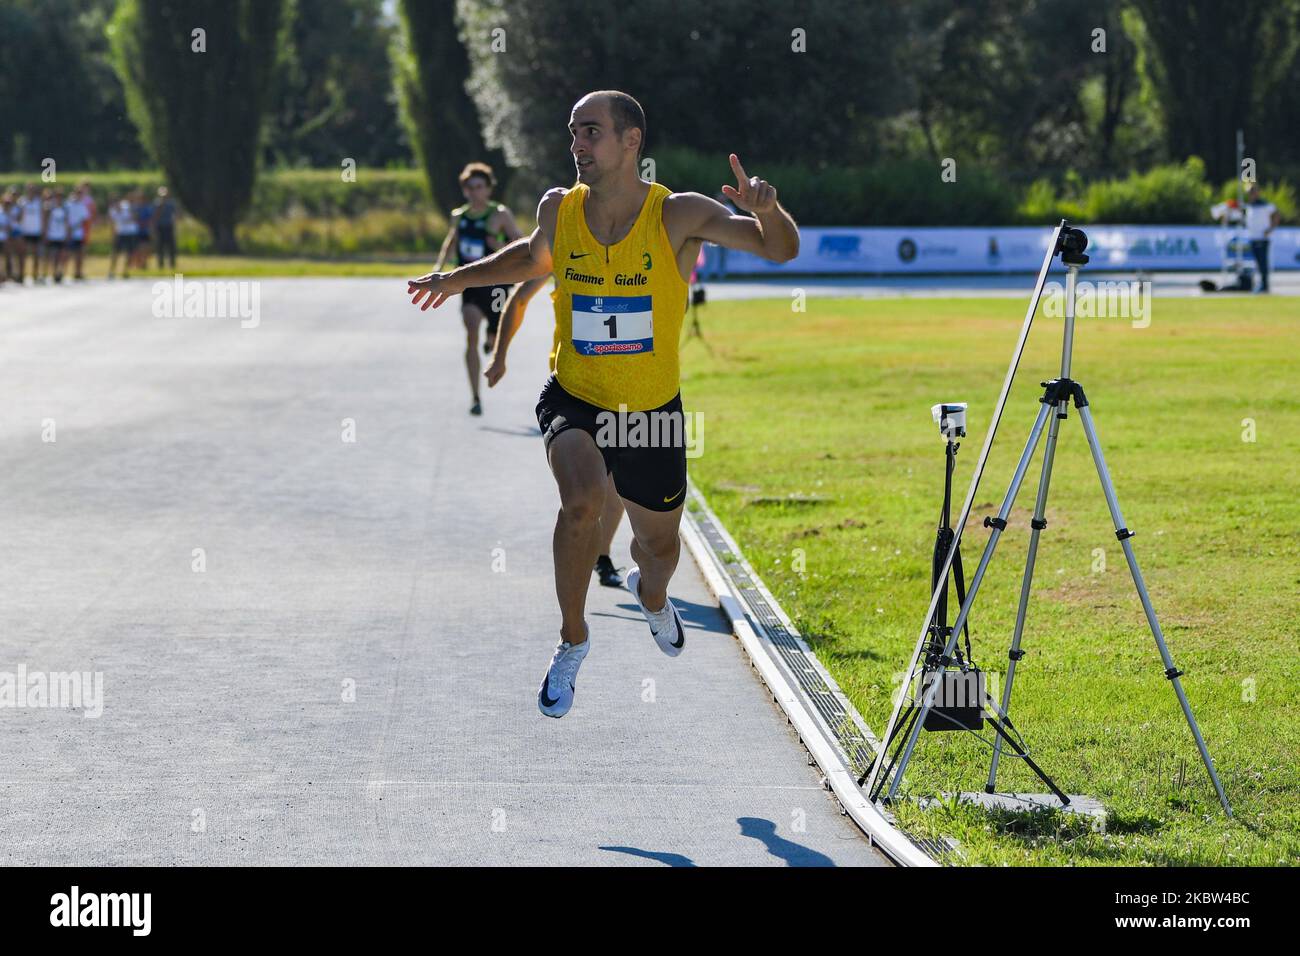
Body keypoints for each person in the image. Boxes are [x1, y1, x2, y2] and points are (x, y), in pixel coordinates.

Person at [407, 90, 798, 718]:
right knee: (581, 502)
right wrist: (456, 277)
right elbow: (532, 257)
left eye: (590, 132)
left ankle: (652, 600)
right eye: (572, 134)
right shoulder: (558, 208)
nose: (577, 145)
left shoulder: (678, 214)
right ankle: (572, 638)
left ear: (631, 141)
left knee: (658, 552)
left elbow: (779, 249)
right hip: (576, 397)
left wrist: (769, 210)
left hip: (650, 415)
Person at [488, 273, 626, 589]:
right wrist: (500, 355)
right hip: (572, 384)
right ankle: (583, 546)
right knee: (583, 485)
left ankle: (601, 556)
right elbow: (520, 296)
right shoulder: (564, 238)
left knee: (613, 482)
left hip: (624, 381)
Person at [431, 163, 524, 415]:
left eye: (480, 187)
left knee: (495, 337)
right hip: (470, 282)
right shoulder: (458, 215)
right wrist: (439, 268)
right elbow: (452, 241)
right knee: (470, 329)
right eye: (470, 188)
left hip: (497, 285)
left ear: (488, 188)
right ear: (465, 190)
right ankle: (475, 397)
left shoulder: (500, 214)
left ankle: (491, 338)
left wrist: (499, 243)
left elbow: (521, 243)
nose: (475, 192)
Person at [1244, 184, 1281, 294]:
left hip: (1262, 238)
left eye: (1252, 192)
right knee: (1257, 264)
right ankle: (1261, 284)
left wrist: (1270, 229)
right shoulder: (1249, 206)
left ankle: (1264, 285)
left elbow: (1277, 215)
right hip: (1252, 238)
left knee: (1263, 263)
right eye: (1249, 193)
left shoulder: (1265, 205)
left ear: (1257, 193)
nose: (1250, 195)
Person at [16, 184, 45, 283]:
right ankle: (21, 275)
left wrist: (43, 230)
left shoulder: (39, 202)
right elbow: (18, 217)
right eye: (29, 189)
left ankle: (35, 275)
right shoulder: (22, 201)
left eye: (33, 189)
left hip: (36, 231)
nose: (31, 191)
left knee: (36, 255)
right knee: (22, 254)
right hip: (25, 231)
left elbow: (43, 216)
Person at [42, 187, 70, 283]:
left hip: (61, 235)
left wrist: (67, 234)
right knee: (52, 255)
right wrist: (45, 233)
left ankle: (60, 272)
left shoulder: (65, 208)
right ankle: (52, 272)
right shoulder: (50, 208)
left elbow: (66, 222)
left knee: (61, 255)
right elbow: (46, 221)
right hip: (52, 235)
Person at [66, 183, 92, 281]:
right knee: (67, 253)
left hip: (78, 233)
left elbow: (85, 219)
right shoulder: (68, 204)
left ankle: (78, 272)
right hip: (69, 232)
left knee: (79, 254)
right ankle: (64, 272)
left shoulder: (82, 205)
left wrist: (76, 227)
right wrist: (68, 228)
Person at [108, 194, 138, 279]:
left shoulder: (127, 207)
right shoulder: (112, 210)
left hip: (130, 232)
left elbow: (134, 217)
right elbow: (112, 223)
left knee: (129, 253)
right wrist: (112, 235)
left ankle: (126, 271)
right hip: (120, 233)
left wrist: (129, 218)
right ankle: (112, 271)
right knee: (115, 253)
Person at [154, 186, 177, 269]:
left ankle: (172, 264)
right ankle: (161, 265)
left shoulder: (171, 203)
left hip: (169, 226)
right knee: (160, 246)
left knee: (171, 246)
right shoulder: (157, 203)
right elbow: (155, 215)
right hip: (160, 226)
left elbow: (176, 214)